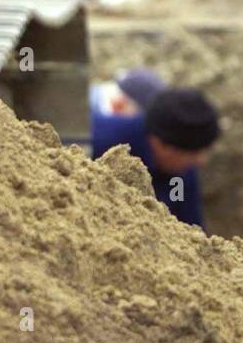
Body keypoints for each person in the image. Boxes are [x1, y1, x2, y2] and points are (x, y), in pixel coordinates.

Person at [89, 68, 221, 228]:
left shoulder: (178, 178)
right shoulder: (99, 142)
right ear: (161, 145)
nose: (201, 160)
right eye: (194, 153)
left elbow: (187, 227)